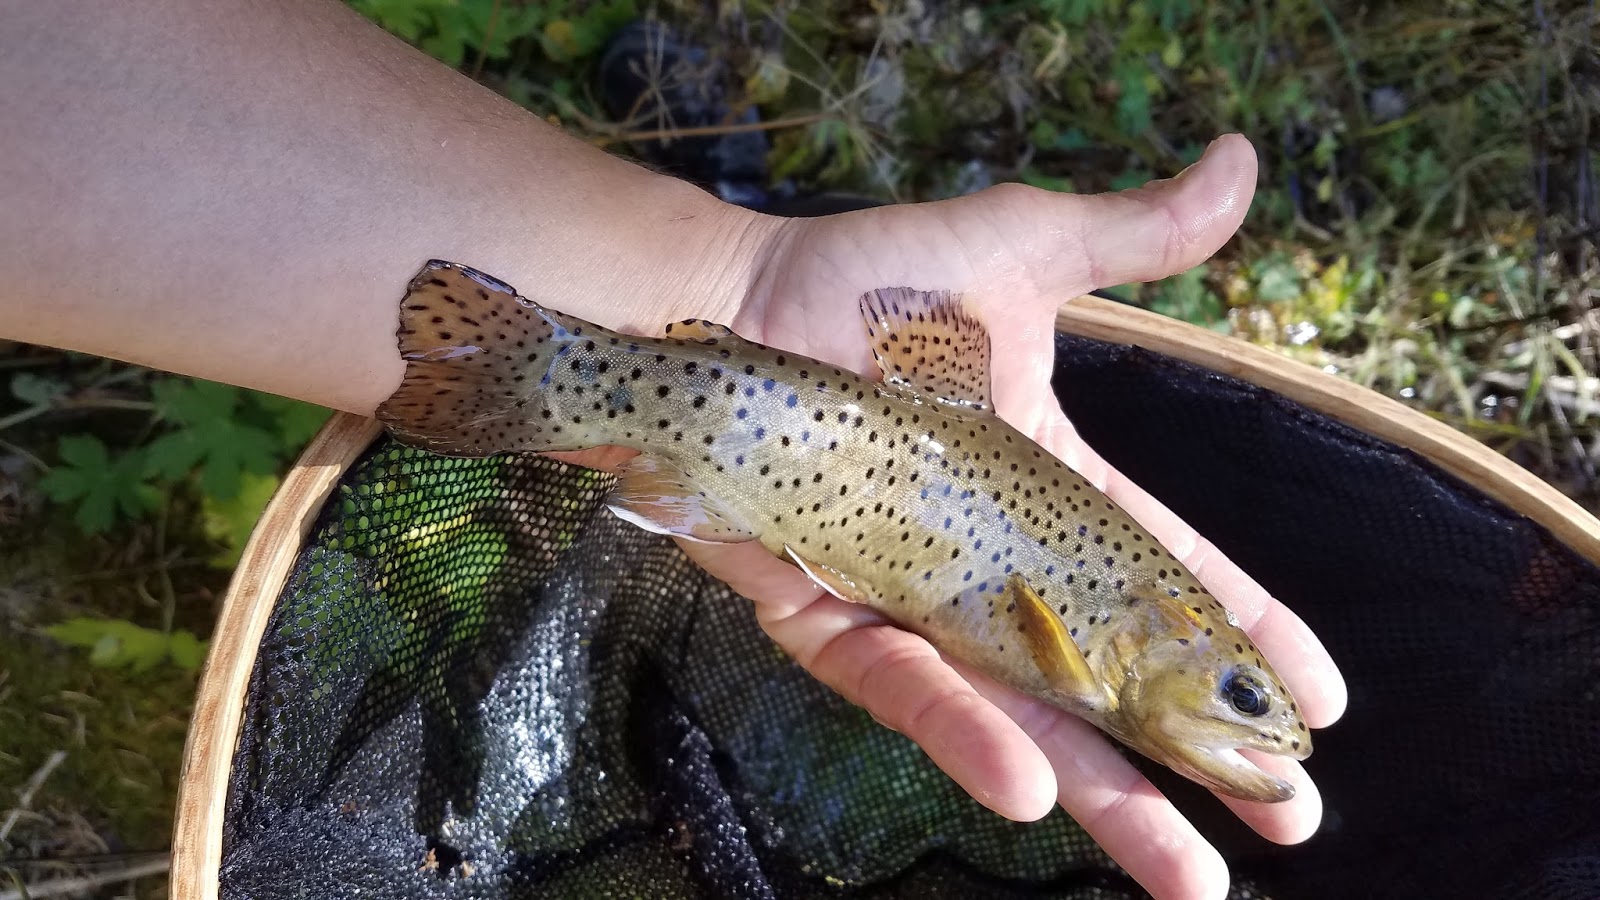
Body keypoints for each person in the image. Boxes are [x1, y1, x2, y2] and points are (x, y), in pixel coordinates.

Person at [0, 3, 1345, 899]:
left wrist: (723, 277)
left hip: (802, 433)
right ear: (1172, 633)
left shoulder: (1116, 642)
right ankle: (550, 367)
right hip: (792, 427)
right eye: (1243, 694)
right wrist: (733, 286)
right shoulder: (1093, 643)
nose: (1253, 730)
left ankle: (557, 367)